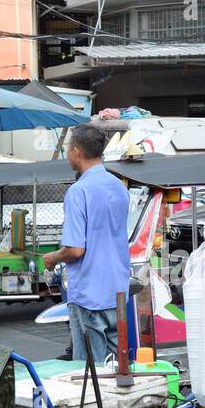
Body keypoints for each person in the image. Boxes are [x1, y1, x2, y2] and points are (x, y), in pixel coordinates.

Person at [42, 123, 131, 363]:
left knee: (88, 373)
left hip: (89, 296)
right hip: (119, 292)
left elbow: (75, 250)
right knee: (117, 368)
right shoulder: (120, 188)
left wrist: (52, 258)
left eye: (69, 149)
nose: (68, 154)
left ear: (77, 151)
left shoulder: (78, 192)